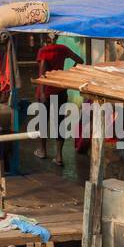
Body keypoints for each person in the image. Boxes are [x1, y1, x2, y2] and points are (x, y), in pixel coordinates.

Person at [34, 34, 84, 163]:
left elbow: (42, 73)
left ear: (45, 39)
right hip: (60, 90)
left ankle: (42, 151)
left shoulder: (43, 51)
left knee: (43, 122)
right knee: (60, 122)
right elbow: (80, 60)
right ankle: (59, 156)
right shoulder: (63, 48)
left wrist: (43, 93)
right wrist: (68, 72)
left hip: (46, 91)